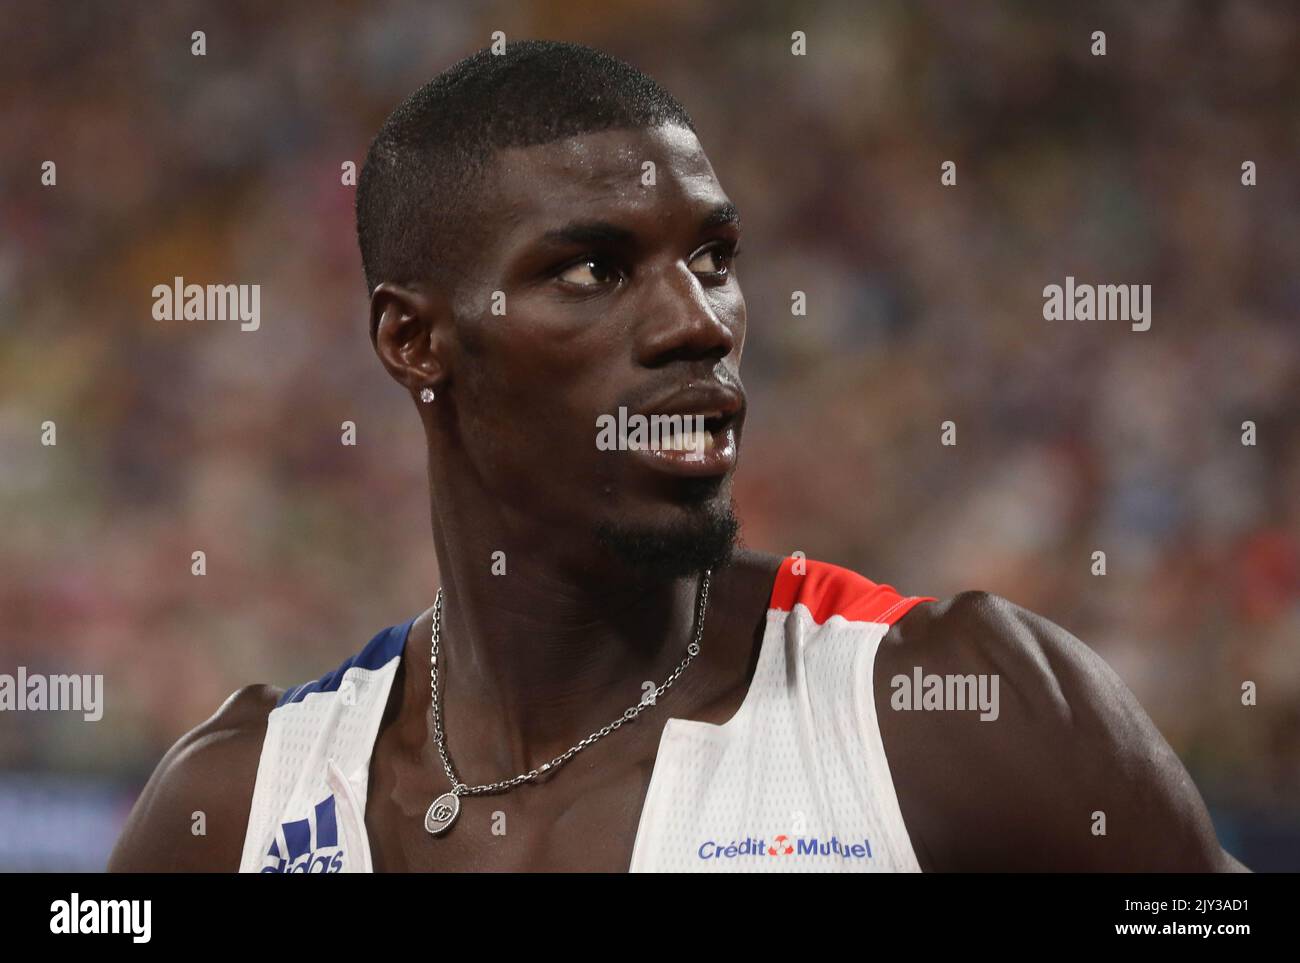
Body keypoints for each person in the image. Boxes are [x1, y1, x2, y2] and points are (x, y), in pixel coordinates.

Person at [108, 39, 1247, 873]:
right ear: (416, 341)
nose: (697, 321)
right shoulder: (236, 808)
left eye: (711, 257)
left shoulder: (967, 716)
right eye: (593, 269)